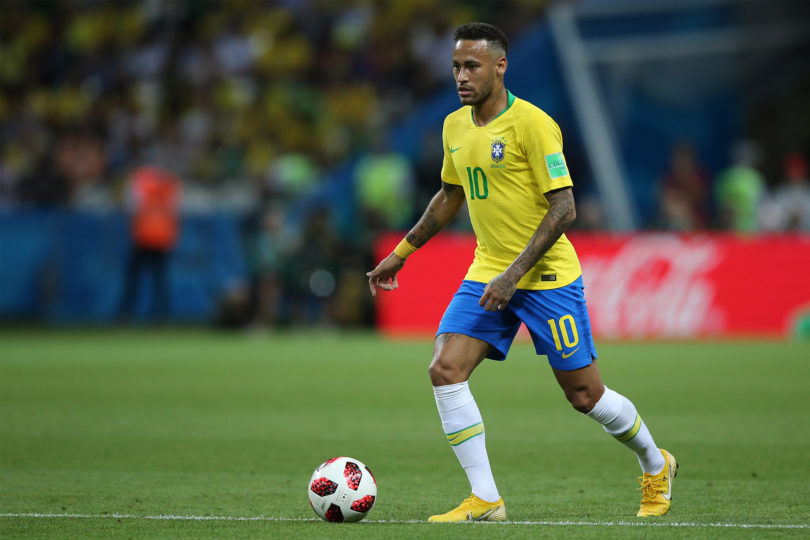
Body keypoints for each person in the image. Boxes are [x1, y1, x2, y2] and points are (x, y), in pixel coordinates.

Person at [366, 22, 676, 522]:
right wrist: (403, 251)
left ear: (500, 66)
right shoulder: (454, 126)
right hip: (488, 270)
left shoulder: (533, 124)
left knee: (584, 395)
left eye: (472, 66)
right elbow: (450, 194)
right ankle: (486, 499)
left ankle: (655, 462)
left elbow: (565, 208)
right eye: (455, 67)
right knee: (445, 369)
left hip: (547, 277)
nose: (461, 77)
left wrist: (514, 275)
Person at [118, 165, 181, 322]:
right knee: (159, 281)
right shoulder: (170, 184)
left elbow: (131, 208)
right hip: (162, 239)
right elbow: (176, 211)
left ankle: (126, 315)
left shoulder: (140, 182)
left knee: (135, 280)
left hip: (143, 237)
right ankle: (161, 316)